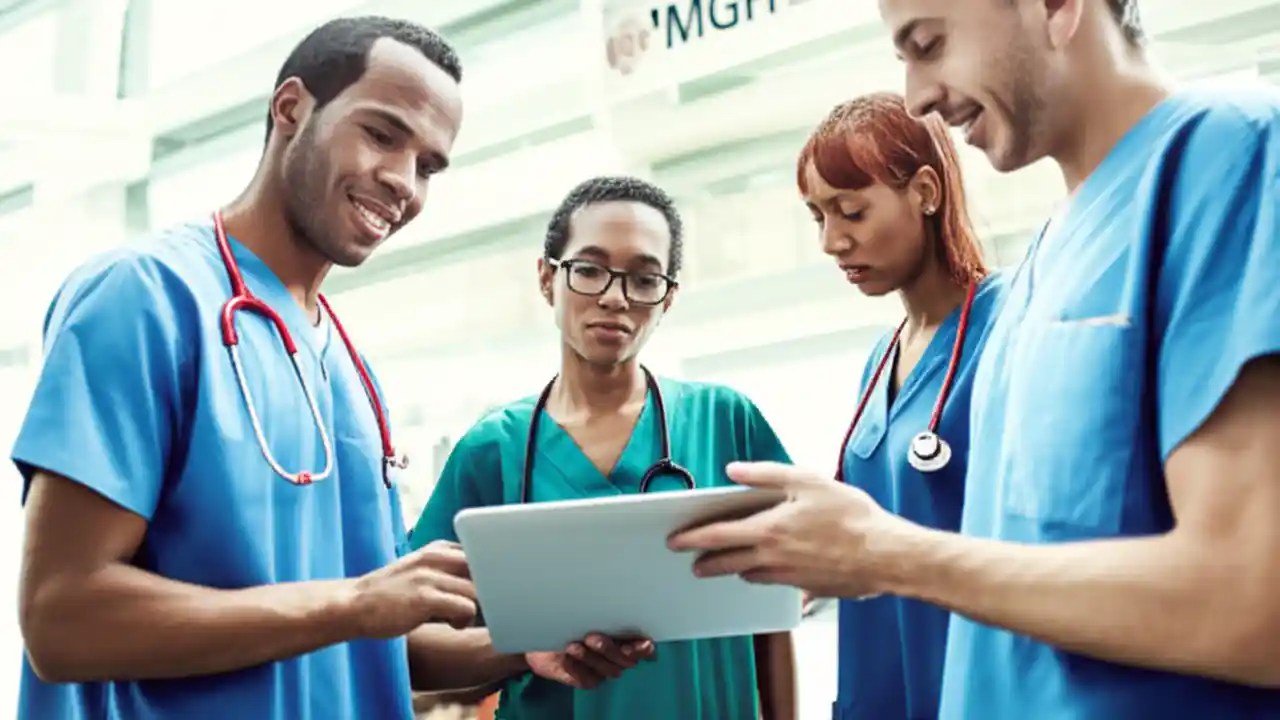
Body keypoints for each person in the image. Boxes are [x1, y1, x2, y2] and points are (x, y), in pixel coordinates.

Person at [10, 16, 635, 720]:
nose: (403, 181)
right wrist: (354, 603)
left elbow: (369, 645)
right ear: (291, 110)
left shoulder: (349, 369)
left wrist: (522, 652)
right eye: (381, 134)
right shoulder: (144, 299)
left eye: (429, 166)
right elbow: (62, 618)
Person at [670, 0, 1280, 718]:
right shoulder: (1048, 262)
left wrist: (882, 553)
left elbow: (1256, 603)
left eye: (928, 44)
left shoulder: (1229, 156)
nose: (917, 95)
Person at [409, 175, 798, 719]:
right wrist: (521, 651)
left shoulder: (725, 421)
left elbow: (772, 614)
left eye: (644, 279)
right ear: (548, 278)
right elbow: (409, 642)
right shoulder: (492, 449)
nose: (615, 297)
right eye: (589, 270)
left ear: (669, 298)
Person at [797, 92, 1004, 720]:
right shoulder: (880, 360)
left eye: (851, 211)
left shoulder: (1008, 326)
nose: (833, 242)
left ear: (925, 191)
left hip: (972, 695)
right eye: (817, 217)